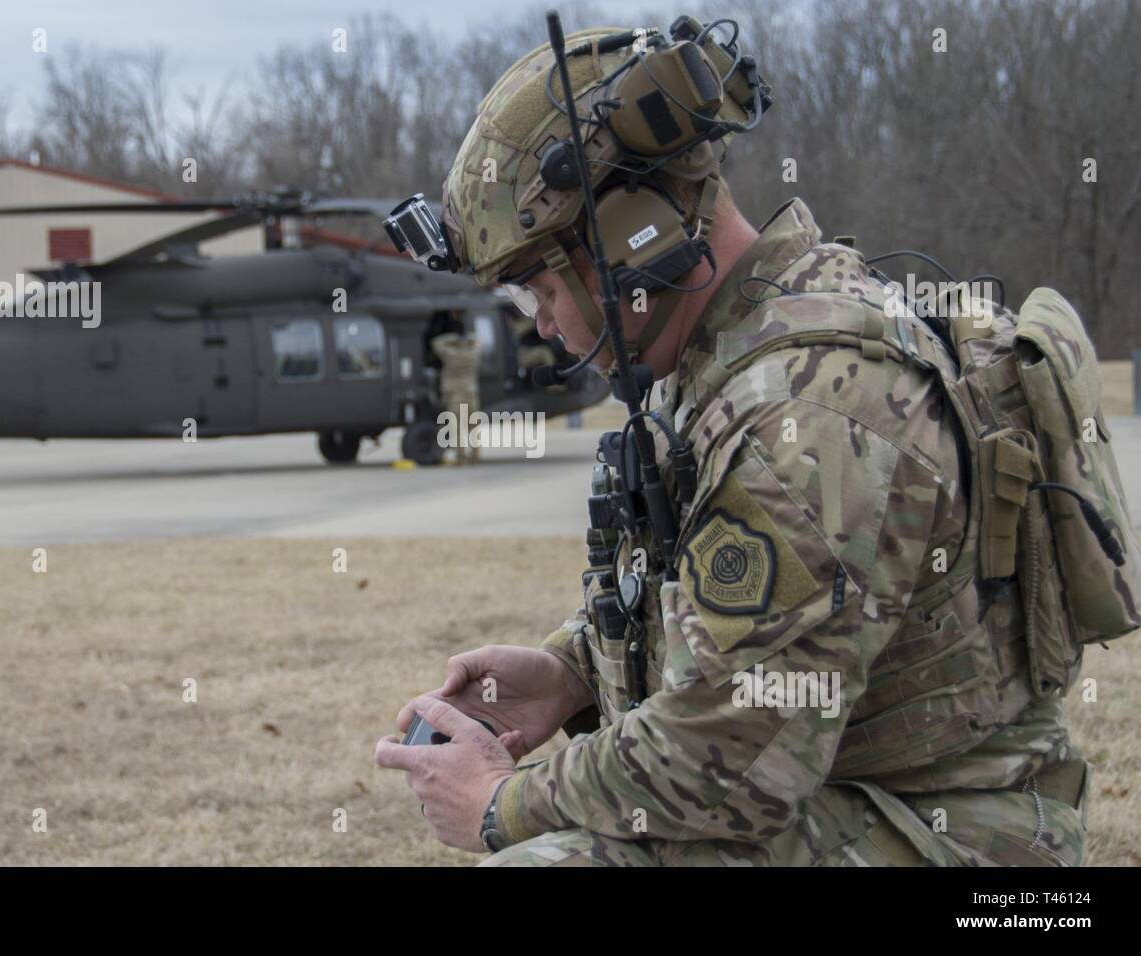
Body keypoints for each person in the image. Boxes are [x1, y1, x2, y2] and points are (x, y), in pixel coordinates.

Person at [376, 22, 1096, 866]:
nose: (542, 324)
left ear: (628, 235)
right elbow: (728, 626)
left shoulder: (814, 411)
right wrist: (570, 670)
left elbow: (729, 764)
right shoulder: (735, 345)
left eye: (540, 285)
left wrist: (502, 805)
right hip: (858, 794)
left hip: (965, 839)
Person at [430, 320, 483, 464]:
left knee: (456, 427)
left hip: (455, 395)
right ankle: (476, 455)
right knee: (473, 426)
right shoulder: (473, 353)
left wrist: (452, 337)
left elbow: (436, 343)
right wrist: (469, 339)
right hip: (471, 393)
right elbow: (479, 343)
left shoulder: (450, 353)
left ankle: (461, 457)